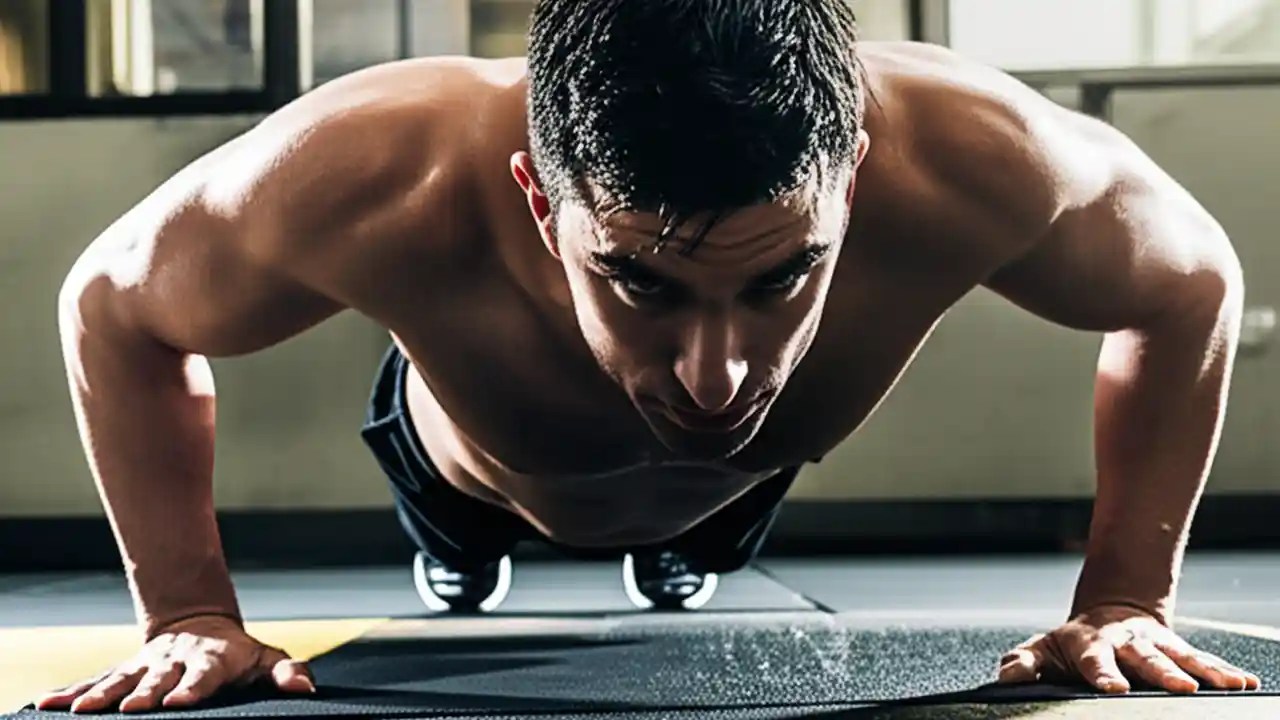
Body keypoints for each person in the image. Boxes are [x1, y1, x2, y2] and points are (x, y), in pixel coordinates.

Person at [42, 0, 1260, 714]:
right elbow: (112, 306)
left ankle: (680, 550)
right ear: (536, 196)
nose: (712, 371)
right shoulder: (371, 170)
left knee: (721, 457)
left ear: (849, 181)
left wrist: (1121, 599)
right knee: (476, 527)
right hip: (475, 465)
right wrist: (187, 613)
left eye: (780, 274)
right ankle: (463, 557)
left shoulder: (985, 157)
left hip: (742, 486)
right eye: (639, 279)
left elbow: (1192, 282)